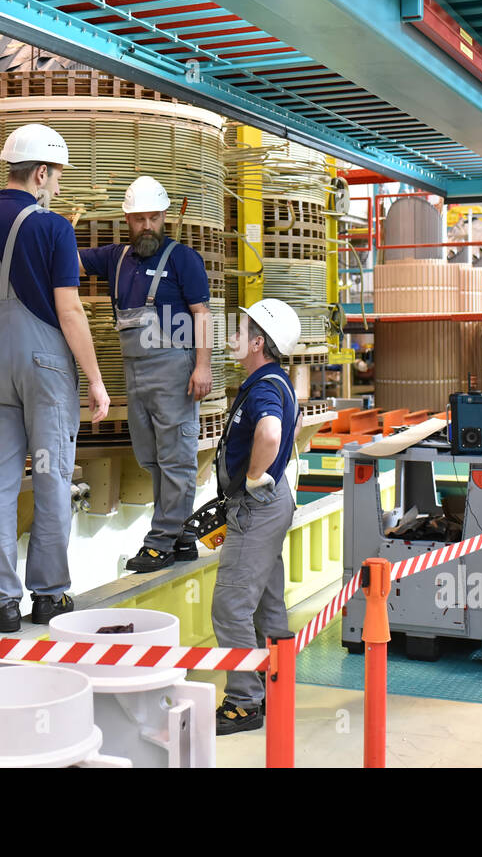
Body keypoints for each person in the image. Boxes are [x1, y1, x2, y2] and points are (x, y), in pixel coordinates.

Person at [0, 123, 109, 634]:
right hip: (46, 371)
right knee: (52, 480)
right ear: (39, 172)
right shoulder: (54, 229)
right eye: (56, 176)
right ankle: (49, 596)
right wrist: (96, 380)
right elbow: (71, 312)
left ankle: (2, 607)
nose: (57, 187)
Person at [78, 176, 213, 572]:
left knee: (176, 456)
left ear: (165, 216)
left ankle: (161, 542)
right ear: (127, 220)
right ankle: (183, 534)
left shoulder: (182, 259)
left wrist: (202, 366)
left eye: (154, 218)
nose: (147, 226)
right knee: (151, 457)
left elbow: (201, 315)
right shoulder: (115, 259)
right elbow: (67, 256)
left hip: (174, 368)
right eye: (139, 219)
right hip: (134, 371)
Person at [209, 299, 302, 735]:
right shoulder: (276, 381)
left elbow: (271, 431)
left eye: (240, 331)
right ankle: (275, 681)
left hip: (258, 505)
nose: (233, 337)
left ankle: (244, 703)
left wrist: (251, 477)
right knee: (266, 601)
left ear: (258, 342)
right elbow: (293, 429)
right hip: (274, 499)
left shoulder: (264, 386)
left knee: (230, 606)